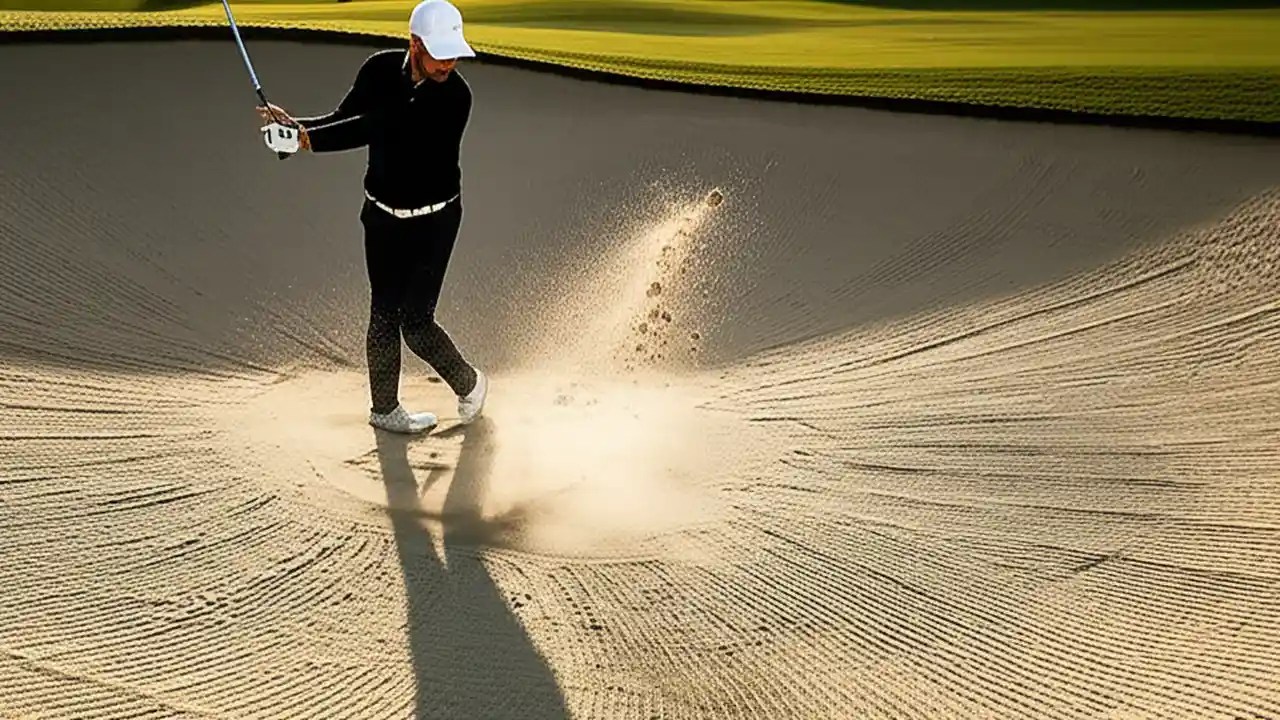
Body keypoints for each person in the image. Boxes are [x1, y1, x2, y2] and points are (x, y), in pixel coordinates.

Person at [257, 0, 487, 434]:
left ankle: (470, 384)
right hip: (381, 217)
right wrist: (294, 129)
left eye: (454, 53)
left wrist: (306, 140)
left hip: (434, 222)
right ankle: (385, 410)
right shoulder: (378, 70)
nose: (449, 63)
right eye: (441, 53)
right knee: (382, 314)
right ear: (415, 43)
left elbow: (382, 126)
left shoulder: (456, 97)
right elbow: (344, 119)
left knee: (415, 323)